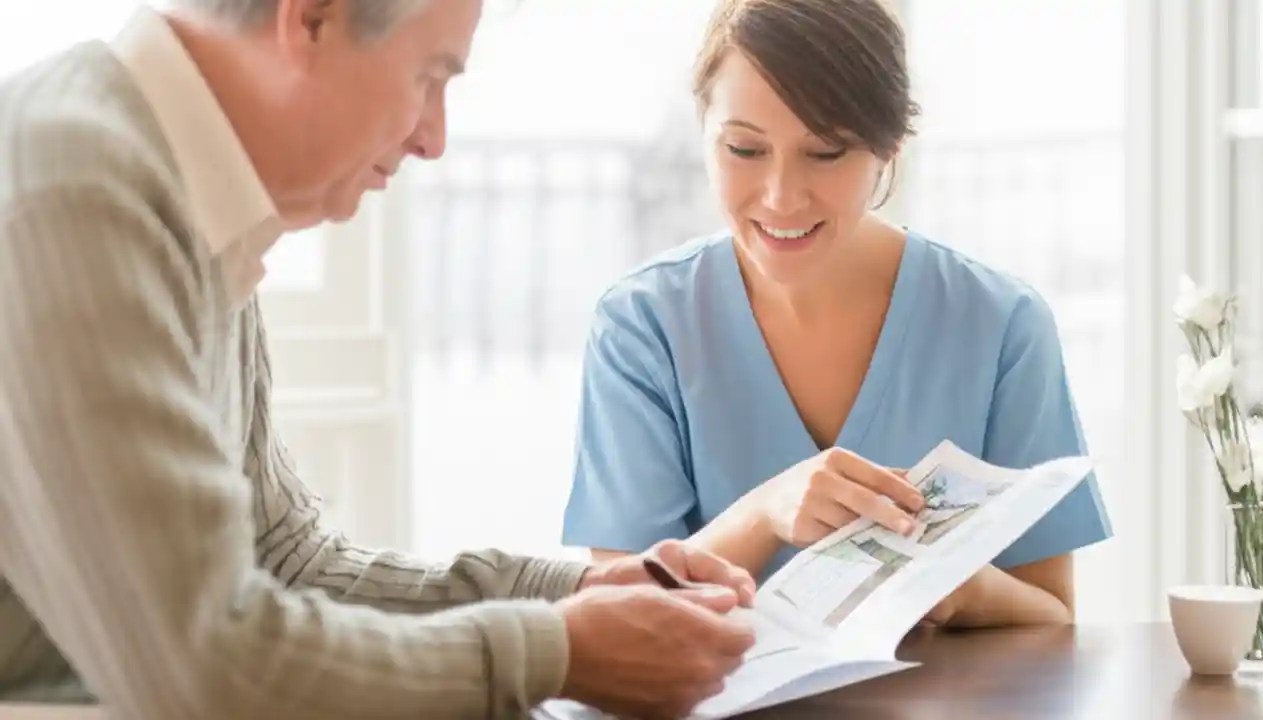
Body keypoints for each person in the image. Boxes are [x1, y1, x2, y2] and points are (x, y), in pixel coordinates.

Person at [0, 1, 758, 718]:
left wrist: (574, 594)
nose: (434, 138)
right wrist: (557, 649)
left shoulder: (182, 191)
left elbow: (283, 560)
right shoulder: (73, 188)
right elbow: (207, 664)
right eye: (428, 77)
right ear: (313, 19)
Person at [562, 0, 1112, 629]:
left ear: (888, 148)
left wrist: (956, 589)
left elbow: (1052, 616)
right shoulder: (642, 326)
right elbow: (618, 621)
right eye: (744, 148)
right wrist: (764, 514)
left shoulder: (1003, 326)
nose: (781, 196)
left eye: (825, 153)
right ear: (705, 134)